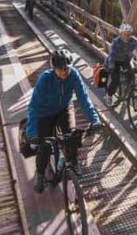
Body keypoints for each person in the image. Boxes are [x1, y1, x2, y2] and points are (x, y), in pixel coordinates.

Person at [27, 49, 101, 192]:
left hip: (64, 108)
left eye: (67, 68)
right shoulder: (45, 79)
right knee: (45, 146)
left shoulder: (73, 75)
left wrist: (95, 119)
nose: (64, 72)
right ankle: (40, 173)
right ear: (53, 68)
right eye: (60, 69)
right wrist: (32, 133)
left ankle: (73, 162)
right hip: (45, 112)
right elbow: (34, 106)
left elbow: (84, 98)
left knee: (72, 136)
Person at [104, 23, 137, 104]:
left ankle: (126, 93)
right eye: (124, 34)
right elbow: (112, 55)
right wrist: (112, 66)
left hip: (126, 60)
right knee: (115, 80)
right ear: (121, 34)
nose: (126, 36)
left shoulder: (133, 41)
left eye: (128, 34)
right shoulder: (116, 41)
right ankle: (109, 95)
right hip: (115, 60)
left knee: (132, 75)